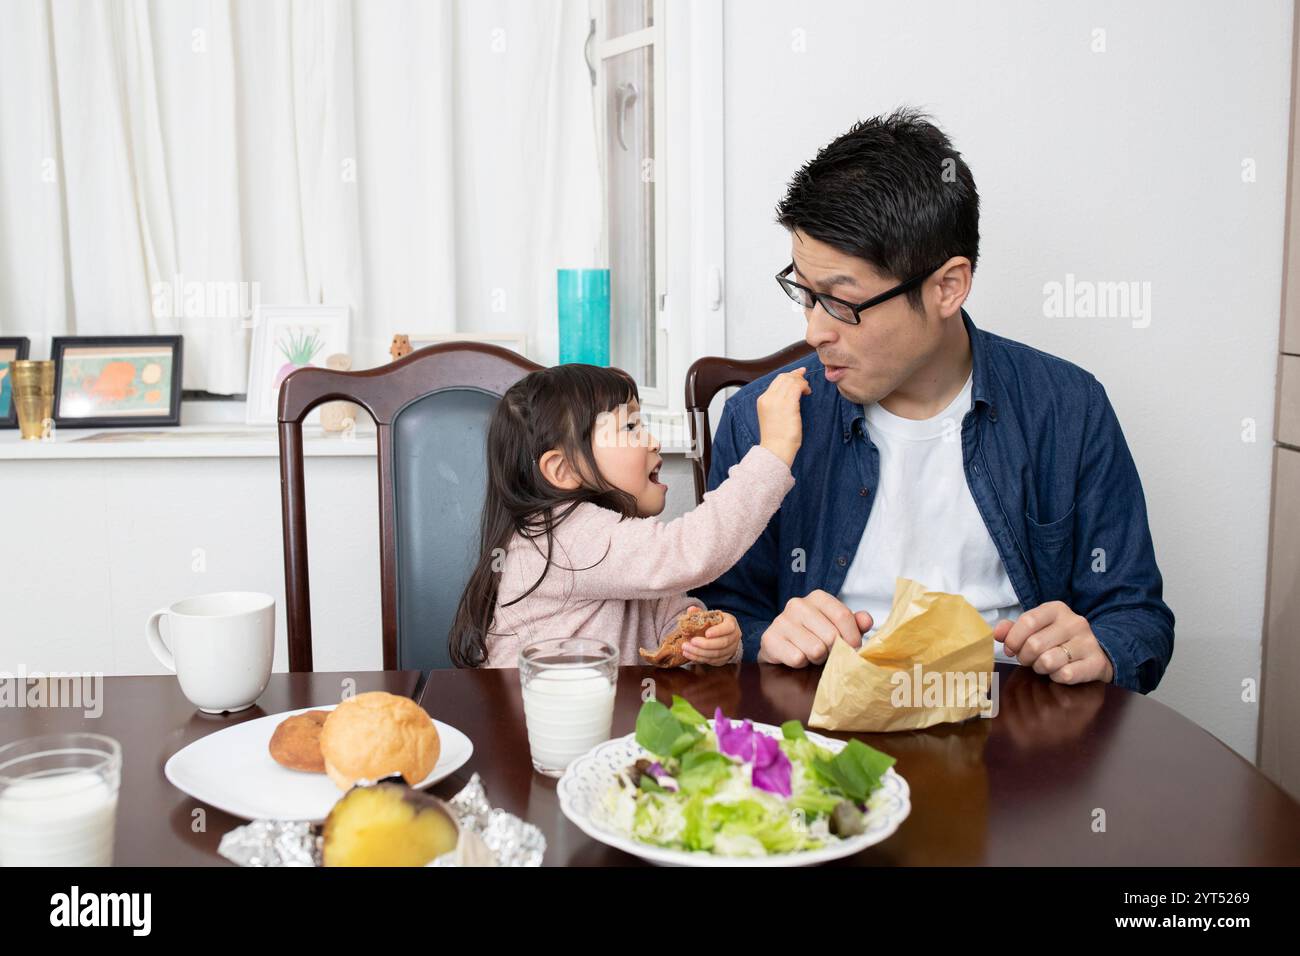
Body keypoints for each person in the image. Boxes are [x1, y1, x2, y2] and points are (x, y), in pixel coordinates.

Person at [692, 107, 1174, 693]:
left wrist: (1100, 648)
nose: (816, 330)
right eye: (804, 292)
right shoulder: (764, 418)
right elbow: (714, 617)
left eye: (842, 301)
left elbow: (1139, 619)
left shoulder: (1067, 408)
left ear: (948, 286)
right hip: (827, 734)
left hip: (1013, 738)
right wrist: (760, 635)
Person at [449, 362, 812, 669]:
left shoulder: (620, 542)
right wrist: (774, 450)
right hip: (538, 734)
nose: (652, 440)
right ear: (562, 469)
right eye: (630, 427)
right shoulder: (560, 535)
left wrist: (708, 639)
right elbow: (684, 554)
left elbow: (667, 616)